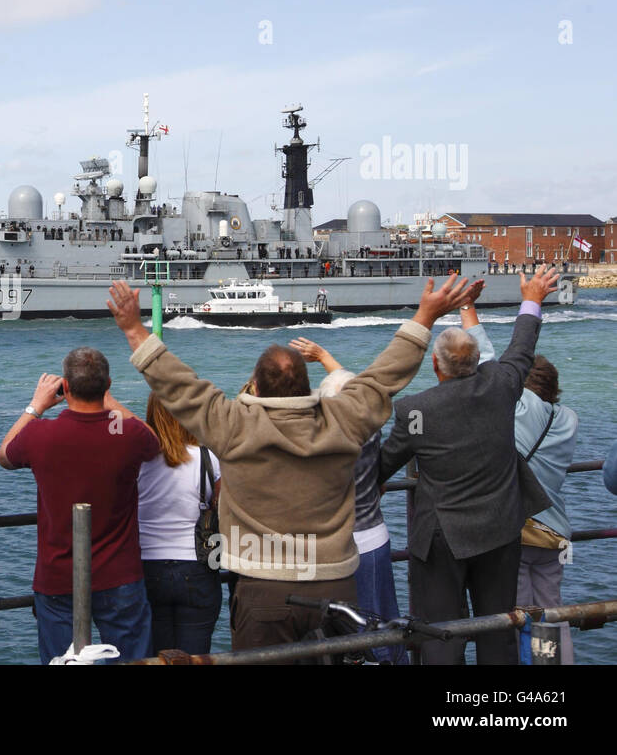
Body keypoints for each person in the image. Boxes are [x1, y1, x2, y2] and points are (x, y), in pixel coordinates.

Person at [107, 274, 474, 654]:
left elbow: (180, 387)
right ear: (306, 384)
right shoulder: (342, 420)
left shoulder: (234, 425)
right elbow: (383, 378)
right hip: (335, 585)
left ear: (258, 389)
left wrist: (134, 330)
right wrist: (425, 316)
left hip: (262, 588)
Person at [378, 267, 559, 664]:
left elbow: (381, 466)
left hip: (443, 538)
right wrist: (533, 296)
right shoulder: (502, 385)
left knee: (442, 634)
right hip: (500, 529)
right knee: (498, 630)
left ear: (436, 367)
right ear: (476, 361)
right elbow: (522, 346)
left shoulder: (414, 410)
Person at [0, 348, 159, 663]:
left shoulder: (40, 433)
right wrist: (107, 399)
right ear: (108, 384)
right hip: (119, 574)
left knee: (62, 662)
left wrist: (36, 406)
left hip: (57, 574)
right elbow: (152, 439)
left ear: (65, 388)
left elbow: (5, 454)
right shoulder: (127, 434)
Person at [288, 337, 407, 665]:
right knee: (381, 622)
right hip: (371, 541)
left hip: (328, 547)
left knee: (337, 629)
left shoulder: (313, 440)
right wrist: (325, 357)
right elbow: (358, 393)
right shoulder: (369, 430)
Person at [460, 294, 578, 611]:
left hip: (520, 531)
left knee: (519, 617)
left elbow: (485, 358)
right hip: (556, 532)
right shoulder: (568, 419)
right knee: (553, 613)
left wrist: (467, 308)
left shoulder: (518, 408)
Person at [136, 393, 223, 655]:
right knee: (196, 656)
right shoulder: (207, 458)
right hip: (198, 566)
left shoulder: (137, 460)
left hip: (147, 566)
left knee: (155, 655)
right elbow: (224, 508)